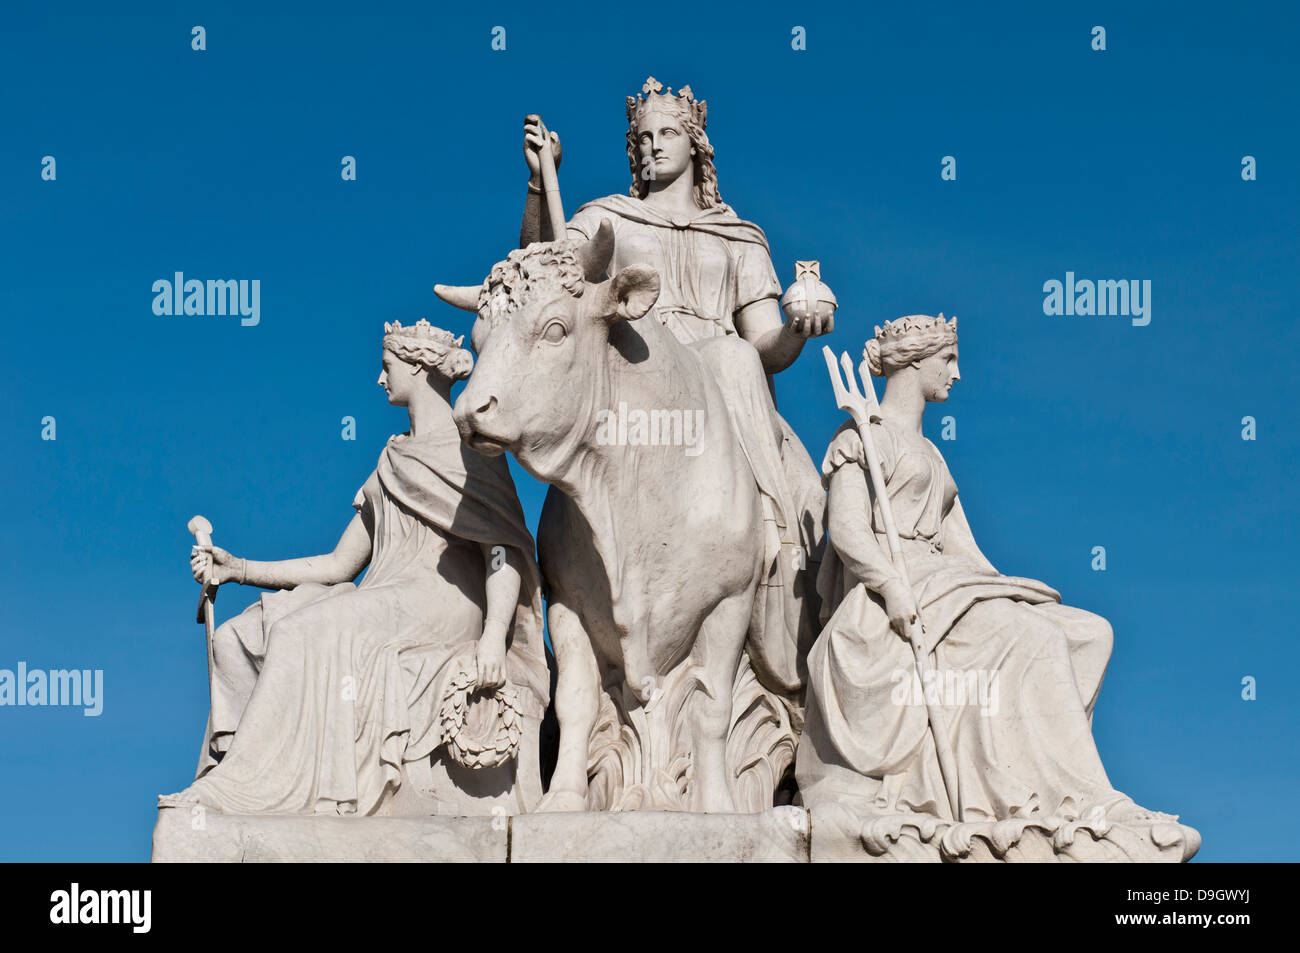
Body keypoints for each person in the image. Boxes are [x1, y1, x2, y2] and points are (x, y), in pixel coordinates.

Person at [517, 77, 827, 695]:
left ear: (695, 143)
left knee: (807, 489)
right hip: (637, 374)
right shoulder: (607, 217)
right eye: (643, 138)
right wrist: (538, 183)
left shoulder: (738, 237)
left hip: (726, 389)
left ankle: (773, 535)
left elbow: (763, 343)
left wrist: (797, 325)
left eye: (668, 134)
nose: (654, 147)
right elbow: (541, 272)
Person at [162, 320, 549, 816]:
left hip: (442, 602)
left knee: (302, 633)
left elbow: (502, 552)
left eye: (387, 367)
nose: (380, 379)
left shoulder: (472, 455)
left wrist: (495, 635)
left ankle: (246, 789)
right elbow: (338, 565)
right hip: (386, 593)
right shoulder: (390, 460)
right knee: (240, 635)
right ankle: (235, 767)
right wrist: (236, 567)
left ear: (416, 366)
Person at [798, 314, 1144, 825]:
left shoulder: (934, 455)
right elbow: (848, 532)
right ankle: (1069, 797)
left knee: (1090, 633)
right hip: (896, 589)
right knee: (1034, 639)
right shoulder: (860, 436)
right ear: (916, 363)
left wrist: (1009, 590)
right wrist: (891, 586)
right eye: (949, 360)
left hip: (948, 583)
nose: (957, 373)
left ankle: (1048, 779)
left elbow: (962, 549)